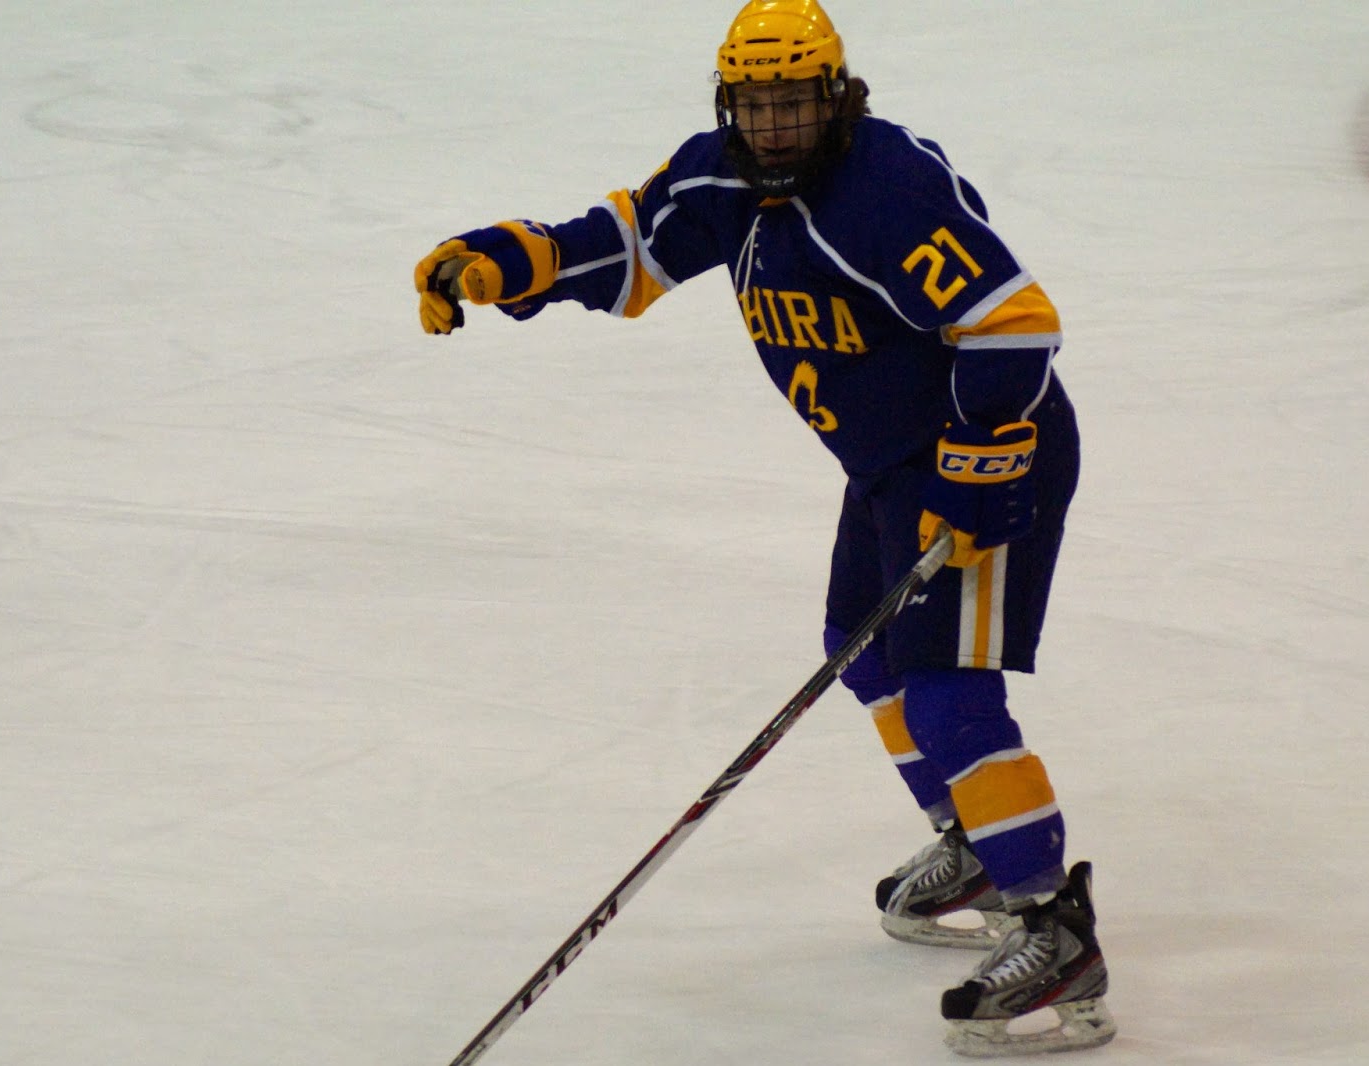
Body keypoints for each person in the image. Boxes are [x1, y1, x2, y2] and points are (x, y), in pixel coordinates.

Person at [413, 1, 1115, 1056]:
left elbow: (1013, 324)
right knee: (861, 651)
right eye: (755, 103)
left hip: (985, 450)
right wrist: (509, 261)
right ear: (728, 102)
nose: (775, 125)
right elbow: (629, 240)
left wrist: (973, 470)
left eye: (795, 101)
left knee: (945, 686)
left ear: (836, 96)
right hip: (886, 467)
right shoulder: (723, 176)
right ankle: (972, 842)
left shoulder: (882, 192)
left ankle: (1049, 925)